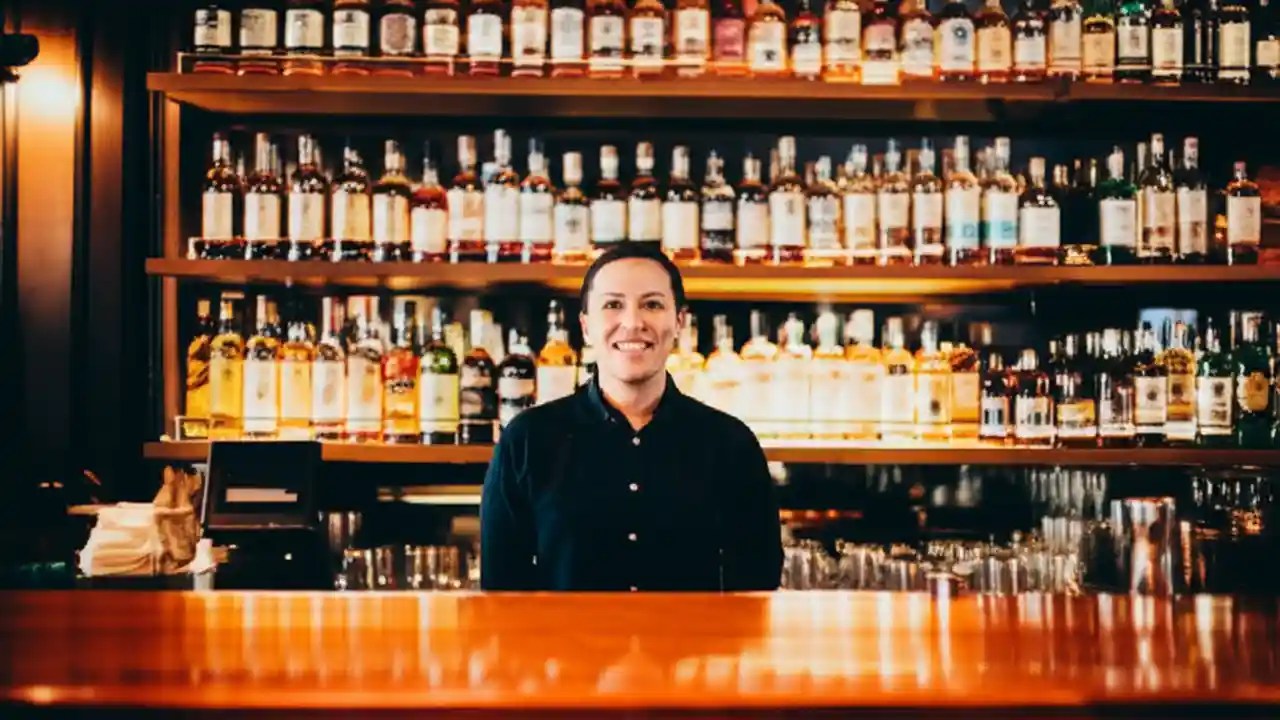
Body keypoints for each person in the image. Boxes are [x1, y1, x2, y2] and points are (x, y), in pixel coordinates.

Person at [480, 243, 783, 591]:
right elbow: (500, 596)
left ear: (679, 321)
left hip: (694, 647)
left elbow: (756, 595)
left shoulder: (731, 444)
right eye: (613, 305)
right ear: (586, 327)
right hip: (565, 648)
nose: (633, 322)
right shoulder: (528, 439)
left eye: (652, 305)